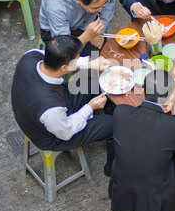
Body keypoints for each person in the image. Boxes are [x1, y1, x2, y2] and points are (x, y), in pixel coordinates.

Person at [109, 70, 175, 211]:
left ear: (144, 91)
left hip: (122, 182)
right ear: (171, 98)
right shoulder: (174, 125)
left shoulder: (120, 112)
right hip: (159, 191)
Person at [11, 35, 115, 174]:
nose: (79, 60)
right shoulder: (51, 108)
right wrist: (90, 107)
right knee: (117, 124)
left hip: (44, 105)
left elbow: (63, 62)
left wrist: (90, 64)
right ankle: (112, 170)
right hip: (54, 135)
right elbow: (66, 132)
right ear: (64, 67)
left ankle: (104, 110)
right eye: (77, 59)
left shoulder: (31, 56)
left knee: (96, 81)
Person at [39, 0, 116, 57]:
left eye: (103, 4)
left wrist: (101, 31)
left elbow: (111, 0)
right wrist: (87, 36)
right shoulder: (56, 6)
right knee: (87, 60)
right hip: (59, 34)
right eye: (96, 7)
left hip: (87, 21)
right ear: (79, 0)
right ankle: (88, 70)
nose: (101, 10)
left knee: (105, 50)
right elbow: (63, 47)